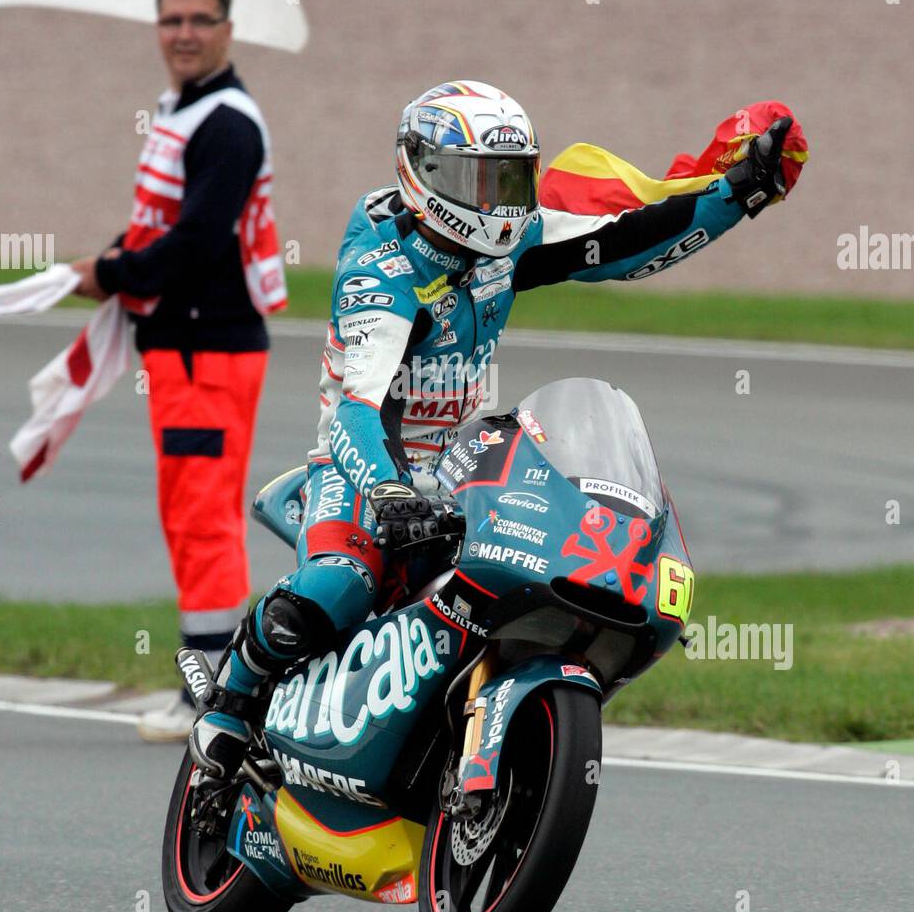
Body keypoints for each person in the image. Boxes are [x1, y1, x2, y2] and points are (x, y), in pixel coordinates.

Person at [189, 80, 793, 780]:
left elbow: (623, 240)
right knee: (343, 581)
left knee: (535, 556)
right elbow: (358, 407)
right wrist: (387, 491)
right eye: (477, 179)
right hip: (362, 469)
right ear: (425, 171)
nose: (497, 200)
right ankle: (229, 698)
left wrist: (735, 196)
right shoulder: (384, 269)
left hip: (454, 462)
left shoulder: (506, 244)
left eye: (508, 178)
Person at [70, 0, 286, 742]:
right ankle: (216, 686)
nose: (184, 34)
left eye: (199, 19)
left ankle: (209, 696)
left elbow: (194, 243)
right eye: (171, 20)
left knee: (203, 520)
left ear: (228, 28)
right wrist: (113, 263)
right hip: (187, 350)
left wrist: (112, 273)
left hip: (209, 347)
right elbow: (164, 224)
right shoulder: (186, 109)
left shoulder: (224, 122)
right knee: (193, 514)